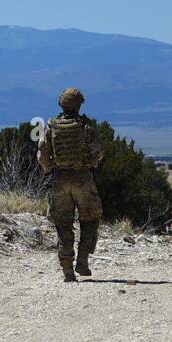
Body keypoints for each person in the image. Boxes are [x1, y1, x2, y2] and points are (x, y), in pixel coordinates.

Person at [37, 88, 104, 281]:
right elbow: (98, 152)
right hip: (83, 178)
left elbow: (42, 154)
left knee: (63, 224)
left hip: (60, 180)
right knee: (90, 220)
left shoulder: (51, 125)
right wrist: (92, 163)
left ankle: (67, 269)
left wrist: (49, 169)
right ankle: (82, 261)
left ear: (61, 103)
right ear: (79, 104)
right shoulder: (85, 126)